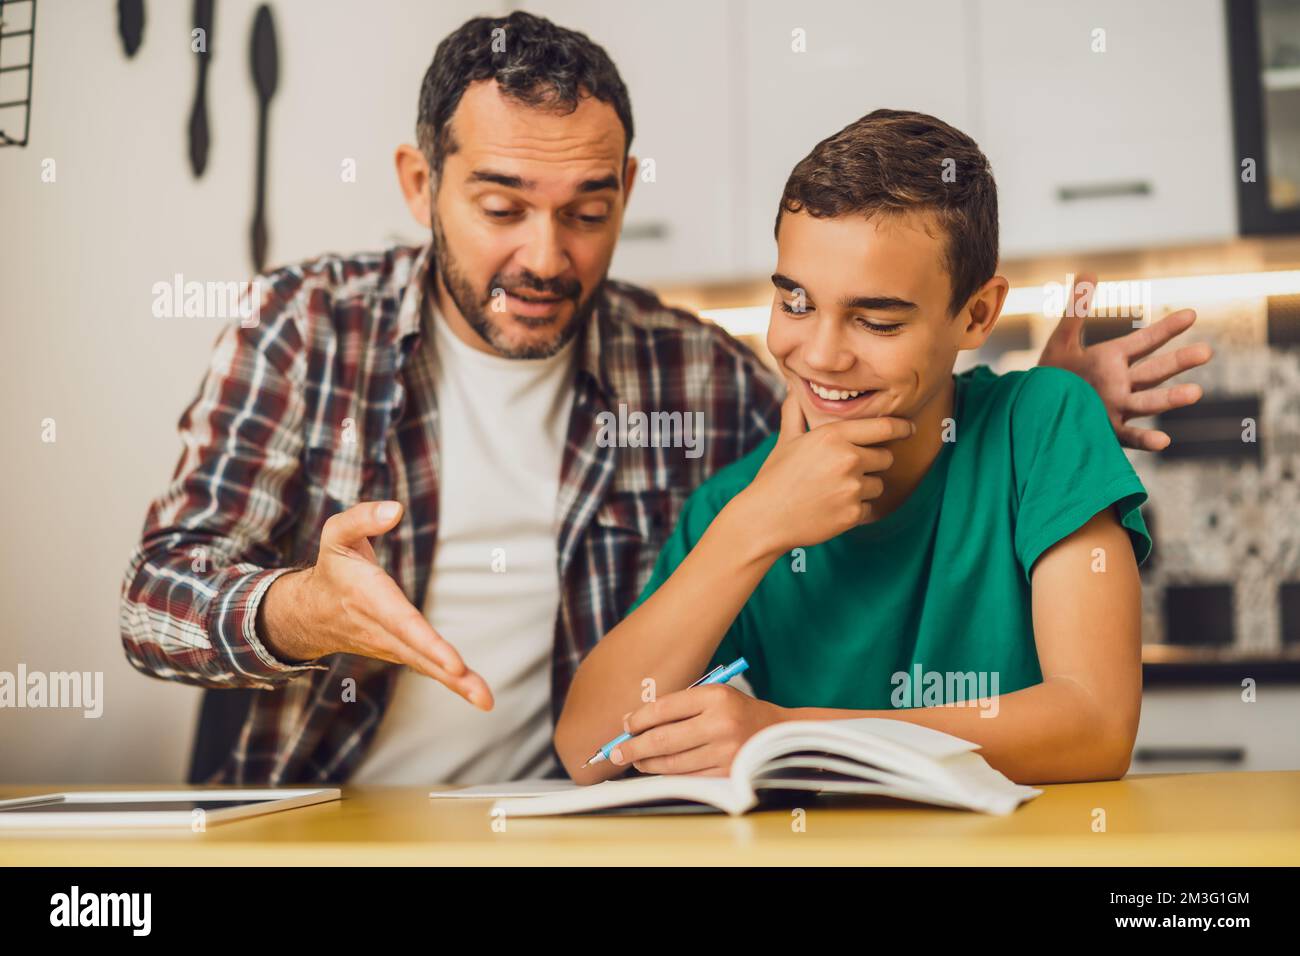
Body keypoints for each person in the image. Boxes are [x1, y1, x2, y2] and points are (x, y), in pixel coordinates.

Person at [121, 14, 1209, 786]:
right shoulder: (306, 325)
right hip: (323, 807)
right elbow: (152, 597)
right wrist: (295, 609)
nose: (545, 254)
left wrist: (1037, 406)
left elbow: (906, 414)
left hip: (566, 825)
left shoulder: (695, 372)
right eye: (501, 205)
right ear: (421, 185)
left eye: (588, 208)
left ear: (628, 191)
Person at [555, 109, 1164, 786]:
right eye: (794, 304)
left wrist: (792, 736)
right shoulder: (728, 509)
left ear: (977, 314)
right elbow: (587, 750)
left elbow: (1096, 726)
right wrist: (754, 529)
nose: (818, 354)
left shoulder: (1043, 422)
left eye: (875, 321)